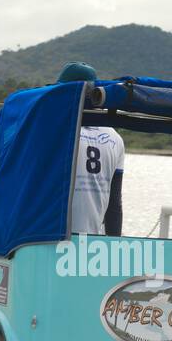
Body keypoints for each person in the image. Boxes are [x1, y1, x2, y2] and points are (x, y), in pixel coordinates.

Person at [57, 62, 124, 236]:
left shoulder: (55, 128)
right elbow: (114, 203)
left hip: (50, 236)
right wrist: (113, 244)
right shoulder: (115, 138)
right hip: (92, 239)